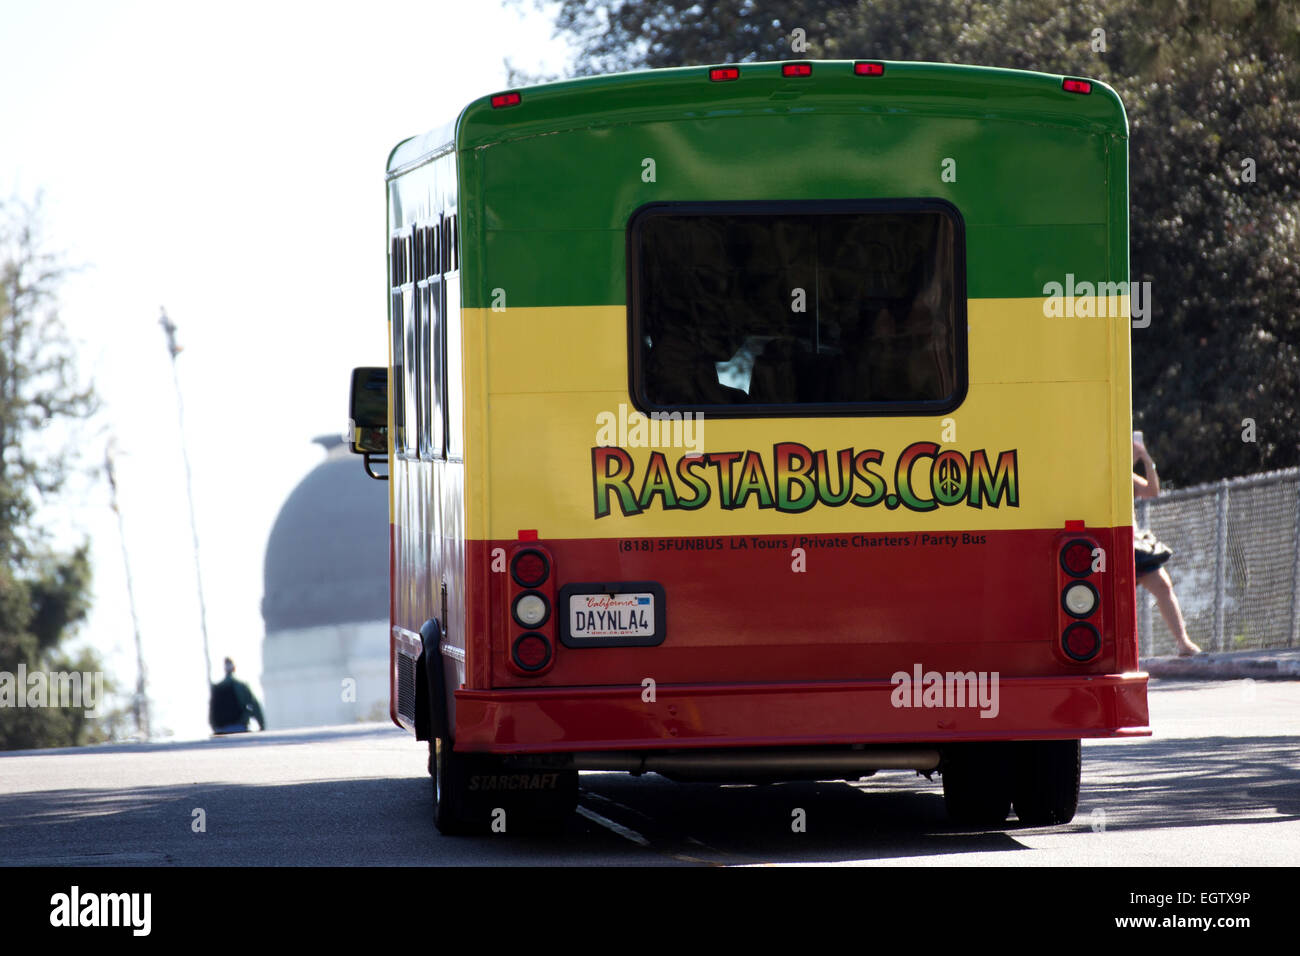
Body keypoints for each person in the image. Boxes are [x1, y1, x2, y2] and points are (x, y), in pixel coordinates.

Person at [1132, 436, 1202, 657]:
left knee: (1163, 586)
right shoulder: (1101, 472)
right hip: (1110, 544)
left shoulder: (1127, 477)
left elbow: (1152, 491)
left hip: (1134, 544)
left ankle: (1183, 642)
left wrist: (1145, 458)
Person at [209, 657, 267, 734]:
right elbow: (254, 706)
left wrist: (215, 727)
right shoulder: (241, 686)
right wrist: (261, 725)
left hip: (221, 729)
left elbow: (212, 711)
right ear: (234, 668)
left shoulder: (217, 688)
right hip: (239, 727)